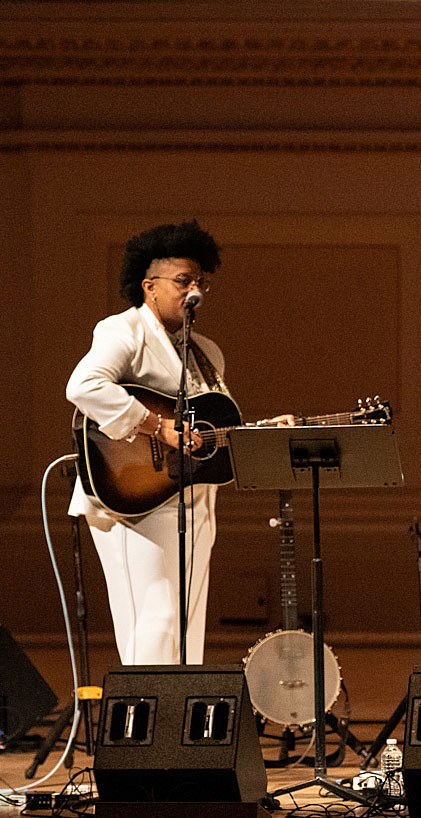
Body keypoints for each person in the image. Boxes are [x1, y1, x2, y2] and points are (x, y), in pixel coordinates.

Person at [65, 220, 292, 664]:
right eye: (182, 281)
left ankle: (173, 729)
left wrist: (261, 433)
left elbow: (207, 430)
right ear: (149, 286)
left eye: (200, 282)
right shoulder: (123, 331)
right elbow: (85, 386)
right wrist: (157, 426)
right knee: (156, 619)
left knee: (185, 631)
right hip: (133, 495)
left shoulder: (206, 350)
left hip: (190, 498)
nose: (194, 291)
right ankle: (141, 731)